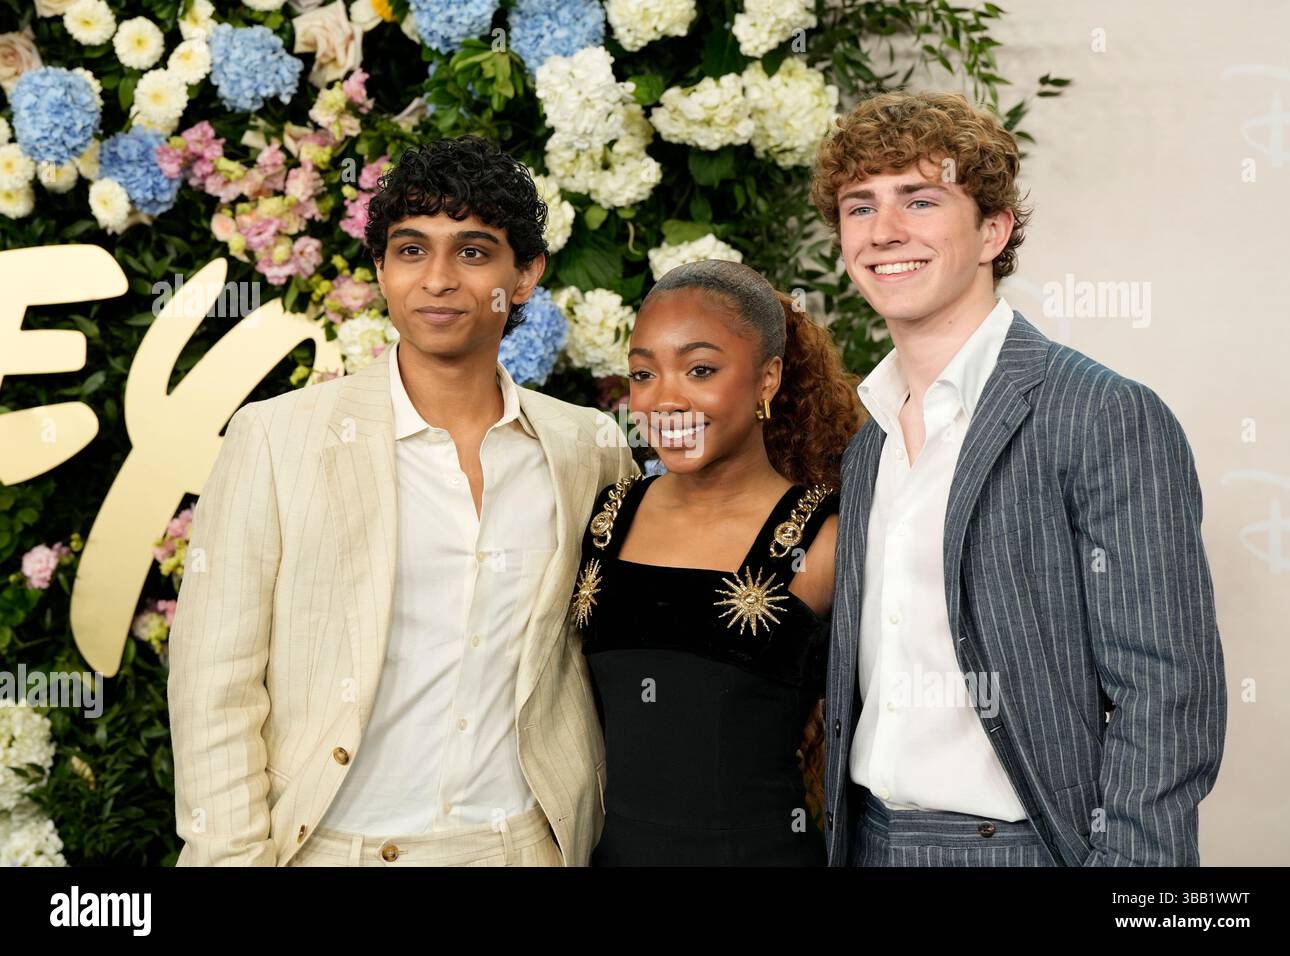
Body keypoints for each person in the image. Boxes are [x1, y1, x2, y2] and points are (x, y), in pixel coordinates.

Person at [168, 135, 635, 866]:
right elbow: (213, 685)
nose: (439, 279)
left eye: (474, 252)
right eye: (412, 251)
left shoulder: (589, 449)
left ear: (526, 274)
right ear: (382, 269)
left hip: (519, 848)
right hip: (331, 849)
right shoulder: (276, 439)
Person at [812, 91, 1227, 866]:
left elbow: (1167, 694)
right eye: (858, 207)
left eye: (921, 200)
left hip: (1022, 848)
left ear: (993, 231)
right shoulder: (868, 441)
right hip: (866, 842)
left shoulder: (1101, 412)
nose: (884, 232)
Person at [569, 259, 863, 865]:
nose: (665, 399)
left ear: (767, 379)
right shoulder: (607, 517)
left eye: (700, 369)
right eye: (644, 373)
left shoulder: (825, 537)